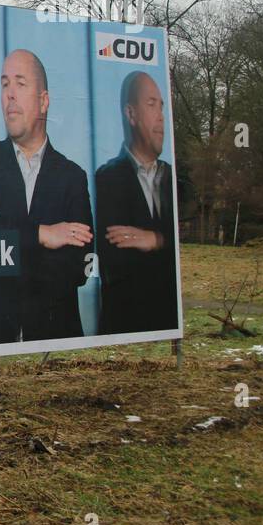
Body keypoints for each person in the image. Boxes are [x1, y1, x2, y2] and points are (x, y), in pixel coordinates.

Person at [0, 49, 93, 347]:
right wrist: (43, 235)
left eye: (20, 83)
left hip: (54, 345)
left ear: (44, 101)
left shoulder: (72, 177)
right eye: (4, 84)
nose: (10, 95)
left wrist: (1, 237)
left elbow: (78, 268)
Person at [95, 71, 179, 333]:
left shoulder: (174, 179)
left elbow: (189, 241)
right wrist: (166, 244)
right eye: (151, 104)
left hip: (167, 316)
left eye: (162, 106)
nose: (161, 116)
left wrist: (155, 239)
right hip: (127, 320)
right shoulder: (107, 178)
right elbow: (117, 260)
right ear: (130, 115)